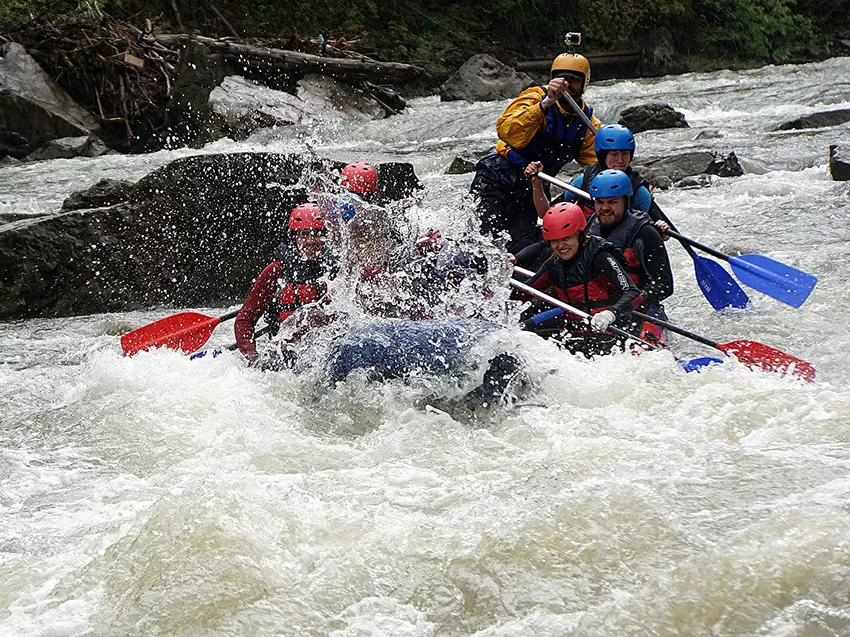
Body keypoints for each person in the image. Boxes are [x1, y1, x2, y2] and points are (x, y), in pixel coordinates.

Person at [470, 51, 602, 254]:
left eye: (574, 80)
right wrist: (546, 103)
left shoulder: (587, 123)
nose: (567, 85)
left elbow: (599, 164)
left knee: (523, 246)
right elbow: (506, 131)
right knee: (482, 238)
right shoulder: (534, 98)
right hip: (496, 180)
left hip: (530, 191)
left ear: (584, 83)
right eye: (562, 79)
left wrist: (634, 184)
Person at [522, 202, 643, 358]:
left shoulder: (600, 257)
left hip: (609, 334)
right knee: (524, 337)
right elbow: (526, 291)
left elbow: (634, 293)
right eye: (555, 241)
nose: (560, 246)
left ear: (579, 234)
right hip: (574, 332)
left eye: (566, 238)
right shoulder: (554, 263)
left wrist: (610, 314)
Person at [235, 203, 331, 367]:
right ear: (294, 237)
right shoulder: (277, 271)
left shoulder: (337, 270)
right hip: (285, 358)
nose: (310, 241)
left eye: (317, 234)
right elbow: (245, 320)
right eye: (303, 234)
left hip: (325, 354)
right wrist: (253, 357)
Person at [586, 169, 673, 342]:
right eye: (600, 202)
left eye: (612, 202)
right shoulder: (588, 229)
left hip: (641, 309)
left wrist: (624, 306)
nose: (605, 208)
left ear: (626, 201)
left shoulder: (645, 233)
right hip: (600, 309)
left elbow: (664, 285)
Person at [525, 123, 654, 218]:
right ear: (602, 155)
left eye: (625, 154)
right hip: (586, 245)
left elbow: (660, 235)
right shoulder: (583, 182)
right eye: (614, 154)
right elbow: (545, 214)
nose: (620, 160)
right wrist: (537, 184)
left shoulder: (639, 191)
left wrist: (661, 228)